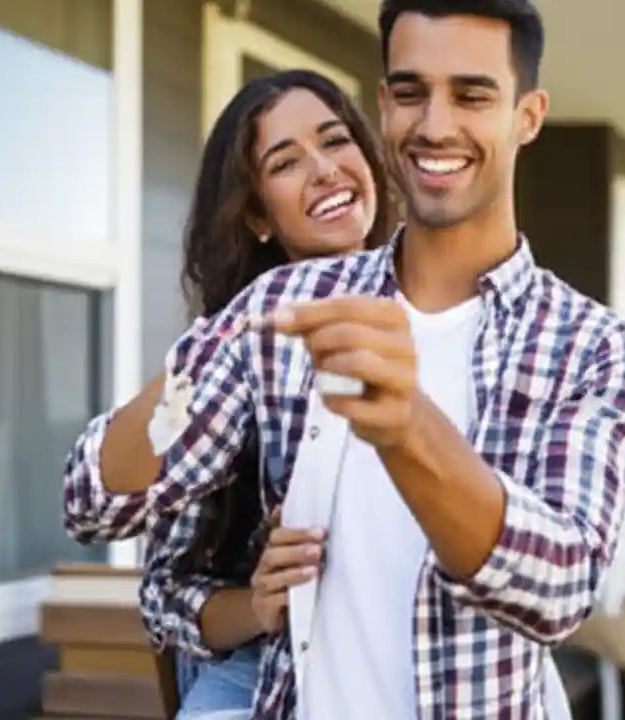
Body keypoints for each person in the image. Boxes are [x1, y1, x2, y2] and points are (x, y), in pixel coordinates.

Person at [94, 0, 625, 717]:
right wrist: (203, 355)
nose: (436, 124)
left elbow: (559, 590)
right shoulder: (289, 301)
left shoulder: (590, 345)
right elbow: (98, 501)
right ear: (384, 106)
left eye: (473, 94)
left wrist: (407, 428)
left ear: (528, 116)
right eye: (412, 92)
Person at [61, 68, 391, 719]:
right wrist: (262, 605)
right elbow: (91, 507)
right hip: (259, 673)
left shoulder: (438, 304)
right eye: (286, 162)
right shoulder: (242, 347)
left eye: (336, 140)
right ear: (258, 214)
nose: (325, 170)